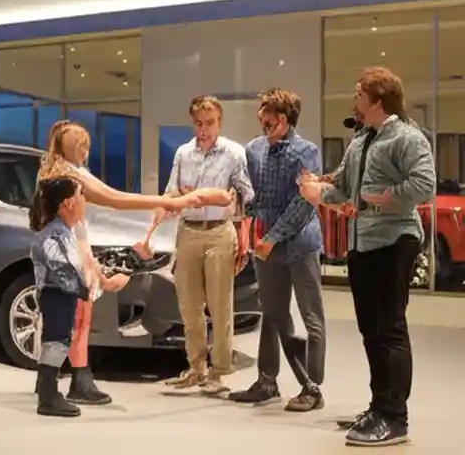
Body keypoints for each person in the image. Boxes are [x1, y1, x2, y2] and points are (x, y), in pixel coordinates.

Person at [37, 120, 231, 405]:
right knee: (70, 322)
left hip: (77, 246)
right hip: (69, 249)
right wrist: (175, 202)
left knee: (79, 319)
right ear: (77, 147)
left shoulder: (64, 172)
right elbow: (116, 199)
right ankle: (54, 385)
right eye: (84, 146)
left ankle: (77, 377)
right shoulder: (68, 176)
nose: (87, 151)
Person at [299, 67, 435, 447]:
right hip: (362, 243)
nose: (353, 100)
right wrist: (317, 192)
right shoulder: (360, 139)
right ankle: (379, 406)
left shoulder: (407, 138)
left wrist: (388, 197)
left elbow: (425, 185)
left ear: (377, 101)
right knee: (370, 330)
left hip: (395, 240)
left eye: (359, 94)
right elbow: (343, 186)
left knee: (390, 328)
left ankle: (395, 416)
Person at [227, 88, 327, 412]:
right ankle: (267, 381)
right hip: (265, 244)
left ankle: (313, 387)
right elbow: (249, 196)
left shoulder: (306, 152)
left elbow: (304, 203)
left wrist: (273, 236)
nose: (261, 119)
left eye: (267, 114)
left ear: (282, 119)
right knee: (272, 313)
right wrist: (243, 227)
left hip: (300, 244)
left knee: (312, 318)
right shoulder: (253, 150)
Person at [152, 95, 256, 395]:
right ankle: (196, 367)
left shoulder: (234, 153)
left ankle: (219, 370)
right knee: (189, 304)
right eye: (199, 123)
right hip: (188, 231)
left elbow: (247, 195)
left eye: (209, 123)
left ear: (219, 123)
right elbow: (171, 192)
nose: (204, 129)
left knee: (220, 304)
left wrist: (228, 202)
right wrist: (162, 214)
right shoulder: (183, 153)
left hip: (220, 232)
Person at [27, 175, 97, 417]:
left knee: (60, 340)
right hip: (55, 294)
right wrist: (79, 287)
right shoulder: (53, 234)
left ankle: (48, 391)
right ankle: (47, 396)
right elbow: (59, 265)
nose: (84, 201)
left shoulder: (66, 231)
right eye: (81, 196)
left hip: (64, 294)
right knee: (55, 342)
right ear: (68, 203)